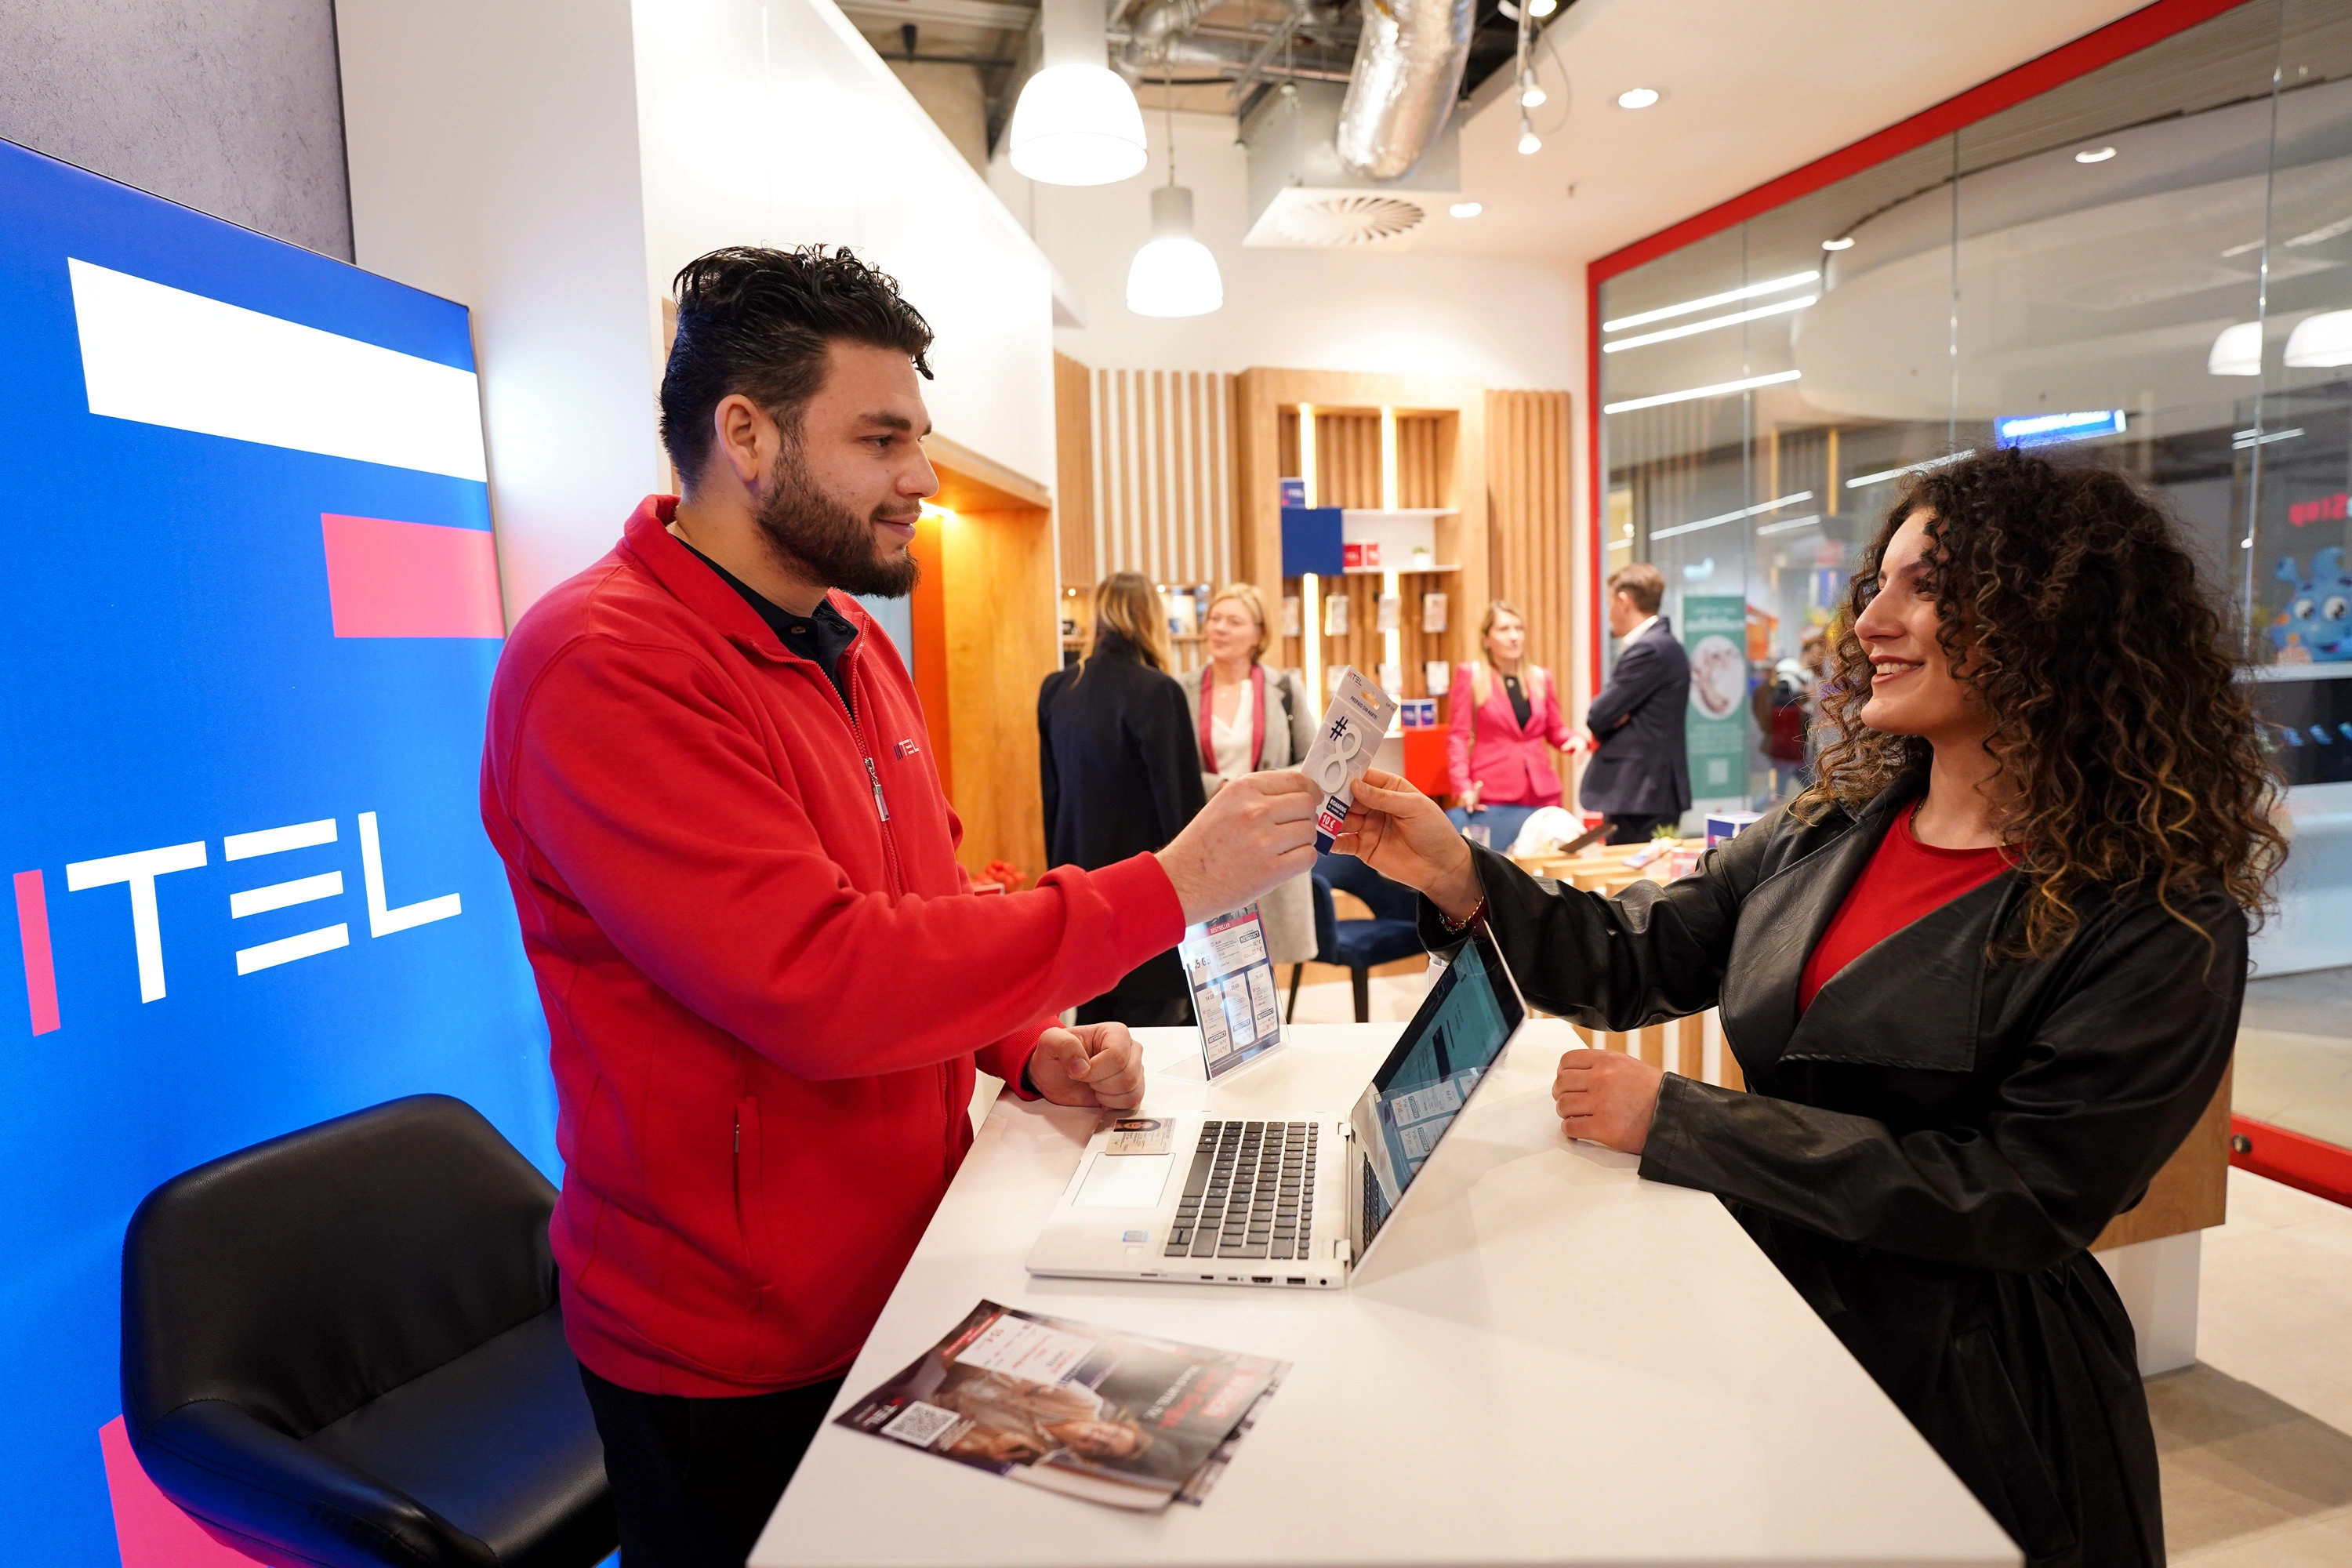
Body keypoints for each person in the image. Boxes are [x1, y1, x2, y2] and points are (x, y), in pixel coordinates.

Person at [479, 245, 1319, 1568]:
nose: (923, 477)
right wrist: (1171, 885)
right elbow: (821, 979)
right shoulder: (601, 664)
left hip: (911, 1271)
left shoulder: (853, 641)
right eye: (882, 440)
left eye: (918, 437)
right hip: (733, 1349)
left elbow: (928, 896)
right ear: (746, 437)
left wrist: (1025, 1044)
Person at [1333, 448, 2282, 1568]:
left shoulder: (2157, 915)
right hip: (1773, 1317)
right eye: (1876, 585)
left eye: (1927, 586)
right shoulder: (1830, 828)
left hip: (1976, 1395)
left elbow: (2023, 1193)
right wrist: (1458, 874)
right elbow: (1638, 956)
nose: (1869, 620)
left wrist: (1683, 1120)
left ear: (2051, 617)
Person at [1038, 572, 1210, 1027]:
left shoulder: (1058, 690)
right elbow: (1183, 814)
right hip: (1148, 907)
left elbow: (1053, 804)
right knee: (1157, 1047)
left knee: (1094, 1039)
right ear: (1150, 618)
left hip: (1083, 900)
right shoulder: (1157, 691)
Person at [1181, 583, 1318, 967]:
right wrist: (1224, 789)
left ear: (1258, 634)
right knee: (1210, 963)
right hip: (1205, 838)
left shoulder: (1285, 688)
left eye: (1234, 621)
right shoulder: (1182, 690)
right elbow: (1174, 769)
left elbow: (1313, 763)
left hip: (1270, 837)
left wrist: (1256, 789)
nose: (1219, 628)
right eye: (1214, 619)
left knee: (1268, 961)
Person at [1443, 600, 1583, 853]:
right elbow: (1458, 737)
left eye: (1518, 629)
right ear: (1486, 639)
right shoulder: (1472, 675)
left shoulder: (1540, 677)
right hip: (1494, 792)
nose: (1514, 636)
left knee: (1544, 865)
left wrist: (1574, 739)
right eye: (1504, 629)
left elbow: (1555, 730)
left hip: (1542, 792)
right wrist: (1463, 786)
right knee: (1499, 865)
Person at [1581, 563, 1691, 844]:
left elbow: (1599, 715)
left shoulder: (1649, 649)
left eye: (1609, 604)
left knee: (1633, 871)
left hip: (1642, 794)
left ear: (1624, 601)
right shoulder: (1662, 645)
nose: (1609, 614)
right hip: (1647, 793)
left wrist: (1616, 717)